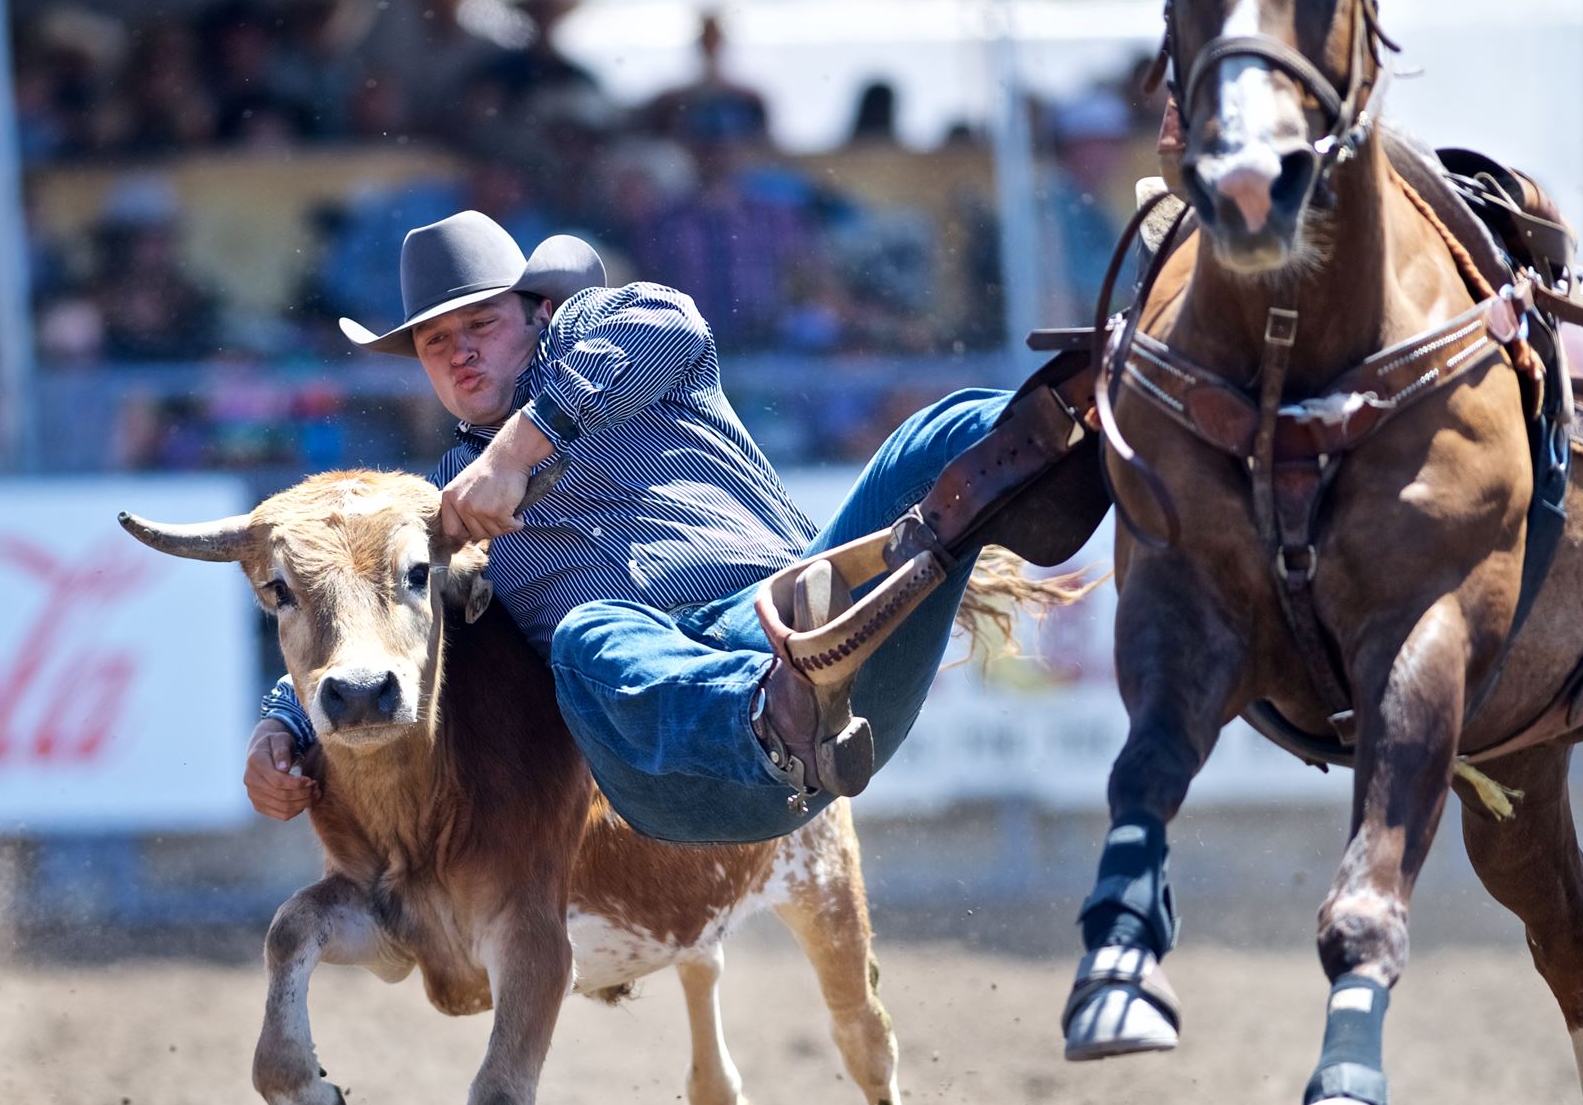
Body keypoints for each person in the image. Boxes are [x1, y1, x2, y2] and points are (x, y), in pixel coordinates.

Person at [245, 207, 1106, 850]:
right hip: (677, 759)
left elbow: (669, 322)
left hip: (791, 624)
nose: (461, 352)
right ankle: (771, 711)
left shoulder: (600, 330)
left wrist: (517, 450)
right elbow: (364, 617)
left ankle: (1127, 430)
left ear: (538, 317)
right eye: (436, 343)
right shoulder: (434, 514)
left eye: (481, 325)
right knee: (589, 636)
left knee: (944, 429)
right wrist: (280, 726)